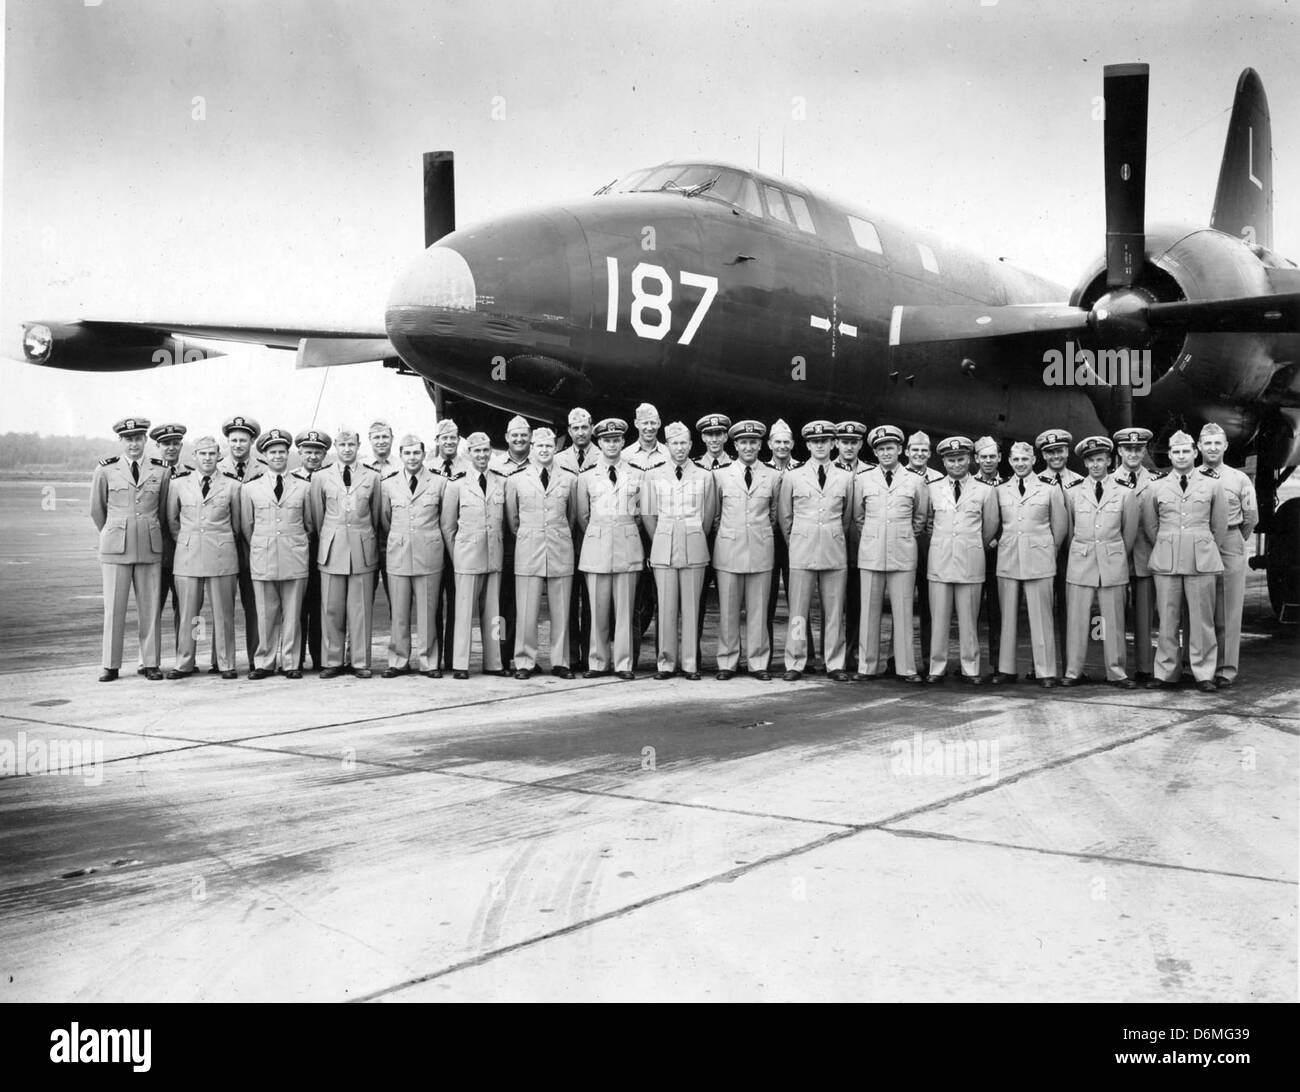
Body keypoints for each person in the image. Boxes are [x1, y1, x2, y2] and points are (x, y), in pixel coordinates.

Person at [1141, 430, 1229, 692]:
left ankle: (1204, 674)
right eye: (1176, 451)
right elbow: (1150, 525)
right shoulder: (1156, 487)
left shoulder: (1213, 485)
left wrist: (1199, 543)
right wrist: (1171, 543)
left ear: (1194, 453)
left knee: (1203, 620)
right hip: (1167, 559)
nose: (1181, 456)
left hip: (1201, 558)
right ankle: (1166, 672)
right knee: (1167, 619)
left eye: (1185, 451)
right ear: (1169, 455)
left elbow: (1219, 527)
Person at [91, 417, 171, 682]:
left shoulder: (161, 470)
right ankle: (110, 665)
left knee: (150, 608)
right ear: (121, 441)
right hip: (115, 549)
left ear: (145, 440)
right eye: (128, 439)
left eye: (138, 438)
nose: (134, 443)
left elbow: (162, 510)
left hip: (149, 547)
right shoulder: (105, 470)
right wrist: (114, 531)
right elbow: (97, 510)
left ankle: (150, 663)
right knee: (114, 609)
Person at [851, 425, 929, 683]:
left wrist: (902, 535)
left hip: (903, 553)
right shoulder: (863, 479)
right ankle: (867, 666)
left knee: (904, 612)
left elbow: (920, 518)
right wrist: (876, 536)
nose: (886, 453)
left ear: (899, 450)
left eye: (890, 448)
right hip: (872, 553)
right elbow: (858, 517)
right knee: (869, 612)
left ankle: (906, 668)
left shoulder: (915, 481)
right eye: (881, 449)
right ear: (875, 451)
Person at [778, 420, 854, 681]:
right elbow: (785, 516)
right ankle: (796, 661)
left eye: (825, 441)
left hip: (833, 551)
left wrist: (830, 535)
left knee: (834, 612)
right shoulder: (793, 476)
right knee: (798, 612)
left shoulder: (845, 477)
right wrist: (799, 540)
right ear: (808, 444)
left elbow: (847, 516)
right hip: (802, 550)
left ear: (833, 443)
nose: (820, 445)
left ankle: (834, 663)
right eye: (814, 441)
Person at [642, 421, 718, 680]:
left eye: (684, 442)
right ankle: (665, 662)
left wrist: (692, 535)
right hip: (663, 547)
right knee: (665, 607)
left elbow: (708, 516)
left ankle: (690, 664)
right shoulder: (652, 475)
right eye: (674, 443)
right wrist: (662, 537)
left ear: (691, 444)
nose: (680, 448)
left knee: (691, 608)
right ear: (667, 445)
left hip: (694, 546)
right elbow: (649, 514)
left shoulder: (705, 476)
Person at [1062, 436, 1138, 688]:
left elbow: (1129, 532)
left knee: (1113, 620)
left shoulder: (1125, 492)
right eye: (1091, 460)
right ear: (1085, 463)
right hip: (1081, 561)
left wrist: (1115, 553)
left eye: (1100, 459)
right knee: (1077, 620)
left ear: (1108, 460)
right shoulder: (1072, 492)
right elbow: (1070, 529)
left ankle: (1116, 672)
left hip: (1112, 562)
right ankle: (1073, 671)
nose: (1096, 465)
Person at [991, 441, 1067, 688]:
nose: (1020, 464)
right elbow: (994, 525)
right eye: (1016, 460)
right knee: (1007, 617)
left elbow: (1060, 527)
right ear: (1010, 462)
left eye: (1025, 459)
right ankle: (1006, 669)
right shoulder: (1000, 489)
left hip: (1039, 558)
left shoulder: (1049, 489)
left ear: (1034, 461)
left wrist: (1048, 551)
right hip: (1009, 558)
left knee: (1041, 616)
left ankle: (1045, 671)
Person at [925, 436, 999, 684]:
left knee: (969, 619)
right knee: (940, 618)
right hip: (940, 560)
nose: (956, 464)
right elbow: (925, 523)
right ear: (944, 462)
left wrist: (971, 544)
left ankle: (971, 667)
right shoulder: (932, 488)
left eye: (960, 459)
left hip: (970, 560)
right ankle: (937, 667)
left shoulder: (985, 490)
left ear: (969, 459)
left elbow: (989, 527)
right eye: (951, 460)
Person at [575, 418, 645, 680]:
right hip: (597, 547)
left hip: (627, 547)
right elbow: (582, 515)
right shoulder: (586, 477)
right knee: (597, 608)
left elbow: (641, 513)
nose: (612, 444)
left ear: (623, 442)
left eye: (616, 440)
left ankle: (624, 663)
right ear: (599, 443)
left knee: (625, 611)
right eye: (606, 440)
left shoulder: (638, 473)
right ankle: (597, 661)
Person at [505, 427, 577, 679]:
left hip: (559, 548)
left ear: (555, 448)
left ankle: (561, 661)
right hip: (529, 549)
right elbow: (513, 520)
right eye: (539, 446)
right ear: (531, 448)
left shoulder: (569, 479)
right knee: (526, 610)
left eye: (548, 446)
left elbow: (572, 516)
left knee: (562, 610)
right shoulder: (516, 480)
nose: (544, 450)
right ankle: (525, 662)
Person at [167, 435, 241, 679]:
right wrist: (189, 541)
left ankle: (226, 662)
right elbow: (172, 521)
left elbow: (238, 524)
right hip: (188, 556)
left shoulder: (232, 485)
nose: (208, 458)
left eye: (212, 454)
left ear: (219, 455)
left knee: (223, 613)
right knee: (190, 614)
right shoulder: (178, 484)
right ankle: (185, 662)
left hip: (221, 555)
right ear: (194, 456)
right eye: (202, 454)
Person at [240, 428, 312, 679]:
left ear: (288, 454)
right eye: (273, 452)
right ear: (265, 455)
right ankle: (264, 662)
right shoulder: (250, 488)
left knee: (293, 614)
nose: (278, 456)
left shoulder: (303, 487)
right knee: (265, 612)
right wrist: (264, 544)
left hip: (294, 557)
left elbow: (311, 523)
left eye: (282, 452)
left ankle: (291, 663)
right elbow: (247, 526)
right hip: (264, 556)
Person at [310, 427, 382, 678]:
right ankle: (332, 660)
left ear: (358, 445)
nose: (347, 449)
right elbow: (316, 518)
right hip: (332, 549)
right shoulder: (321, 477)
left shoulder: (372, 477)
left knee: (360, 610)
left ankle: (360, 662)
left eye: (351, 444)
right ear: (336, 448)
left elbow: (376, 514)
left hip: (362, 549)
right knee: (331, 609)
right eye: (342, 445)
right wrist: (331, 537)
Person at [712, 420, 779, 680]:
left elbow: (774, 515)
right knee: (728, 611)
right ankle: (727, 662)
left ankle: (757, 662)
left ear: (761, 444)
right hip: (729, 550)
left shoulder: (773, 476)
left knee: (758, 611)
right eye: (743, 442)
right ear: (735, 445)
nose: (748, 447)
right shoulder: (720, 475)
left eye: (753, 442)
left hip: (760, 550)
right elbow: (715, 515)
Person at [379, 433, 447, 678]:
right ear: (400, 455)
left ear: (424, 454)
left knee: (428, 613)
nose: (412, 457)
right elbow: (385, 518)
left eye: (416, 452)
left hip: (429, 555)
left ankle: (429, 662)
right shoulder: (388, 484)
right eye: (407, 453)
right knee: (398, 611)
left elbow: (445, 520)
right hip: (398, 554)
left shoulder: (439, 483)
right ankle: (398, 660)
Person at [1197, 422, 1259, 688]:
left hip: (1231, 540)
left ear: (1225, 446)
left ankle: (1225, 669)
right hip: (1199, 542)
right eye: (1207, 443)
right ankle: (1201, 669)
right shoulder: (1189, 476)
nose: (1212, 448)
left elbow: (1251, 517)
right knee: (1199, 608)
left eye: (1217, 443)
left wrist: (1233, 540)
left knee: (1229, 609)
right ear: (1199, 446)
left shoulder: (1240, 479)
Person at [441, 432, 508, 679]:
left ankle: (495, 662)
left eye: (485, 451)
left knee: (495, 615)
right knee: (464, 612)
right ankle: (461, 663)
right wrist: (457, 556)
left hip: (494, 556)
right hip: (467, 558)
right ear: (468, 453)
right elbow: (448, 526)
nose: (481, 455)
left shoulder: (501, 482)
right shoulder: (456, 484)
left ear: (491, 453)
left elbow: (507, 522)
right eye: (476, 451)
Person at [1111, 427, 1157, 681]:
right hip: (1116, 557)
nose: (1133, 453)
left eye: (1138, 449)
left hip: (1144, 557)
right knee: (1115, 615)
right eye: (1128, 449)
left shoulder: (1156, 482)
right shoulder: (1106, 481)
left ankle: (1144, 668)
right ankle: (1116, 669)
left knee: (1144, 616)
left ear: (1144, 450)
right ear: (1119, 451)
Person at [216, 415, 262, 670]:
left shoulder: (264, 469)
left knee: (254, 608)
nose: (237, 444)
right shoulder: (216, 467)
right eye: (233, 439)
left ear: (252, 441)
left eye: (243, 439)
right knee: (220, 608)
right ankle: (218, 660)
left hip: (253, 551)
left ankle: (257, 659)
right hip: (222, 550)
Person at [1036, 428, 1082, 676]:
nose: (1056, 456)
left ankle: (1071, 667)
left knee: (1070, 611)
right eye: (1050, 452)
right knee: (1040, 611)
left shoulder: (1079, 482)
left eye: (1060, 451)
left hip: (1070, 556)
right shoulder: (1035, 482)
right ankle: (1041, 668)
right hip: (1042, 555)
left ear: (1067, 452)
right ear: (1043, 455)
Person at [554, 407, 594, 671]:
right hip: (566, 543)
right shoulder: (558, 460)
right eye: (575, 428)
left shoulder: (605, 457)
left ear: (592, 427)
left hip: (594, 542)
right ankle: (569, 656)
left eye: (584, 427)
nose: (580, 432)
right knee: (566, 602)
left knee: (593, 603)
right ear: (569, 431)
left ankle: (592, 656)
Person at [493, 416, 533, 670]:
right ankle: (500, 655)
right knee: (501, 605)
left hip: (529, 544)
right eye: (514, 435)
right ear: (506, 437)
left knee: (525, 605)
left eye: (523, 435)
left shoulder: (538, 464)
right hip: (504, 546)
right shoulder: (496, 467)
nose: (519, 439)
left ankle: (523, 657)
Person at [430, 418, 468, 672]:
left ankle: (455, 659)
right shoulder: (427, 467)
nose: (449, 442)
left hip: (460, 547)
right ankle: (433, 659)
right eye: (445, 438)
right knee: (432, 605)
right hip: (433, 546)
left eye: (453, 437)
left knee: (458, 604)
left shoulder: (468, 467)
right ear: (437, 441)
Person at [148, 422, 188, 663]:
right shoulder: (149, 473)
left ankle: (185, 657)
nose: (171, 448)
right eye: (166, 444)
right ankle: (149, 659)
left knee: (187, 611)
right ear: (157, 446)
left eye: (175, 443)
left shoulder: (192, 475)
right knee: (152, 609)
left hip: (184, 554)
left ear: (181, 445)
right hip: (155, 554)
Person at [905, 430, 944, 666]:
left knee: (930, 605)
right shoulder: (897, 475)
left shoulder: (939, 478)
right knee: (903, 603)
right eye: (915, 450)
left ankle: (930, 658)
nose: (919, 454)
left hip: (931, 544)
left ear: (929, 454)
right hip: (905, 542)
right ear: (907, 452)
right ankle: (896, 657)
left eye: (923, 451)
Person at [834, 421, 871, 673]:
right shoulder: (824, 469)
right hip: (831, 549)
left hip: (860, 550)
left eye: (853, 442)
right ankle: (829, 656)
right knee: (833, 608)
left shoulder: (871, 472)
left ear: (860, 444)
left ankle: (854, 655)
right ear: (836, 443)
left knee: (858, 606)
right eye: (844, 442)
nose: (849, 447)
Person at [294, 429, 331, 671]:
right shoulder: (290, 479)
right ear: (299, 453)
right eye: (308, 451)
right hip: (296, 550)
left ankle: (320, 658)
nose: (313, 456)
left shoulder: (330, 478)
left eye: (318, 452)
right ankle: (294, 659)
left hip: (323, 548)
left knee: (320, 606)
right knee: (296, 606)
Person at [765, 418, 802, 658]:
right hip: (768, 541)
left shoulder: (802, 470)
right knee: (765, 604)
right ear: (769, 444)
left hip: (795, 543)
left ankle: (802, 654)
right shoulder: (762, 470)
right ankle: (764, 656)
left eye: (786, 442)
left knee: (798, 603)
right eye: (777, 442)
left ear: (793, 443)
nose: (782, 446)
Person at [972, 435, 1004, 673]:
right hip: (972, 554)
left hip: (997, 555)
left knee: (997, 611)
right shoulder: (969, 484)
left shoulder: (1008, 485)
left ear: (1000, 458)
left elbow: (1011, 520)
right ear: (976, 459)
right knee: (969, 610)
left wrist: (993, 543)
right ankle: (968, 664)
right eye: (983, 456)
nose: (988, 460)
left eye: (992, 456)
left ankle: (997, 664)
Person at [365, 420, 400, 609]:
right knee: (361, 597)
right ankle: (356, 640)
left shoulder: (403, 466)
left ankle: (398, 638)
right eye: (376, 437)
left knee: (397, 598)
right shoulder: (360, 466)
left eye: (385, 436)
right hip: (366, 537)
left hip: (392, 537)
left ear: (392, 439)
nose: (381, 441)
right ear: (369, 439)